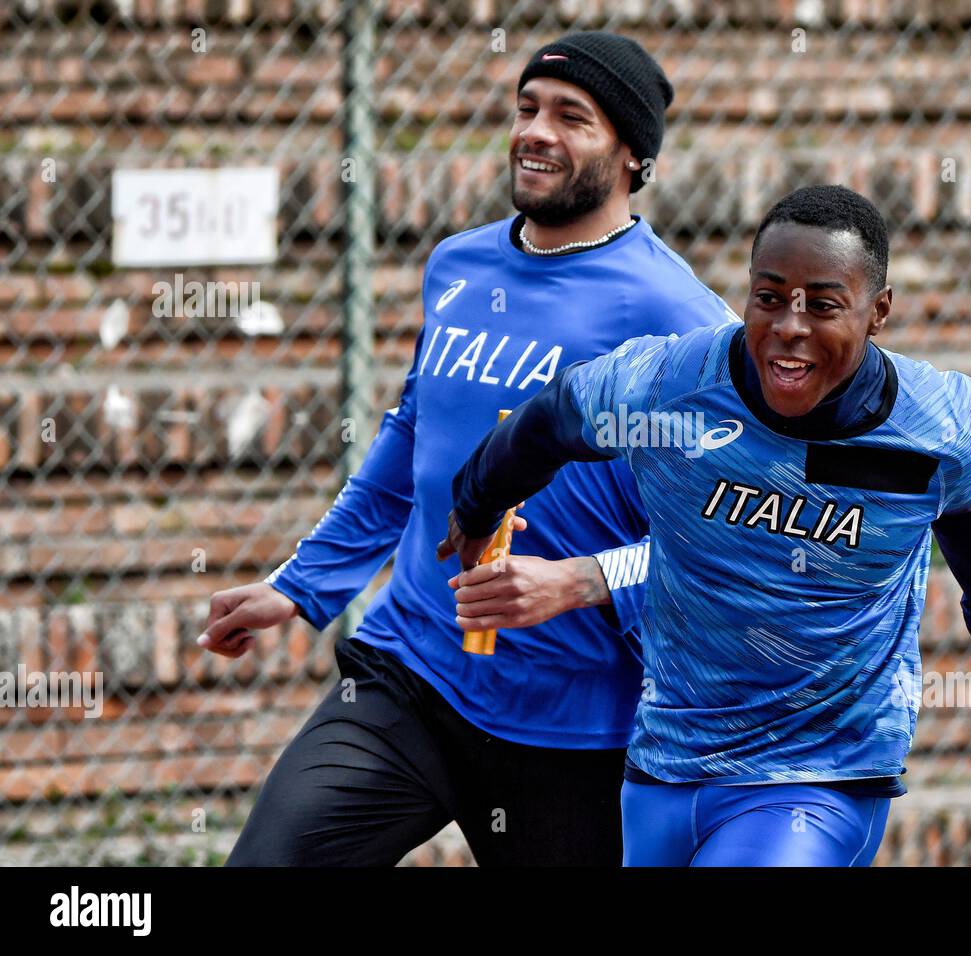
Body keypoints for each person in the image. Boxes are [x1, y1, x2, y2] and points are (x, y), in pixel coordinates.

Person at [201, 31, 734, 866]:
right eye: (526, 108)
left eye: (572, 117)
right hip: (410, 670)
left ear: (633, 156)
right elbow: (413, 439)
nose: (535, 131)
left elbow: (725, 543)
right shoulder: (458, 265)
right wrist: (301, 585)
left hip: (573, 722)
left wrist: (574, 582)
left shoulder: (682, 321)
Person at [442, 184, 971, 867]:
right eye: (769, 297)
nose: (789, 327)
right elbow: (553, 418)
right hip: (665, 767)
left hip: (820, 776)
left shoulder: (937, 427)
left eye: (824, 305)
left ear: (878, 310)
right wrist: (477, 505)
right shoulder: (669, 391)